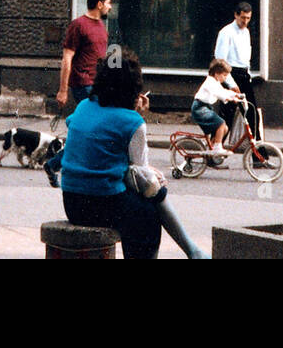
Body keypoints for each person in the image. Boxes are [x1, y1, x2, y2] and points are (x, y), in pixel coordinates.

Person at [59, 47, 205, 259]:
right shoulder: (133, 122)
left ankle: (193, 251)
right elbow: (140, 172)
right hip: (103, 202)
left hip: (72, 202)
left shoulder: (82, 106)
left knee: (138, 202)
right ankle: (192, 251)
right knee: (148, 214)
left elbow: (98, 140)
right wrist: (137, 117)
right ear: (133, 87)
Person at [46, 0, 111, 186]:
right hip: (83, 84)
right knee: (96, 127)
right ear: (99, 4)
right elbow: (67, 59)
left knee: (89, 129)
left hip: (97, 84)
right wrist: (63, 90)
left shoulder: (101, 26)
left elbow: (103, 57)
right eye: (108, 3)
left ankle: (55, 163)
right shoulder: (78, 25)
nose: (110, 7)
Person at [214, 1, 261, 137]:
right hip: (230, 74)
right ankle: (215, 151)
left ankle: (258, 154)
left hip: (244, 75)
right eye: (243, 18)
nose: (245, 21)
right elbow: (221, 60)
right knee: (227, 116)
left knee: (252, 114)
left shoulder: (246, 32)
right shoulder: (226, 32)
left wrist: (248, 75)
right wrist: (231, 84)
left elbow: (246, 58)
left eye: (248, 18)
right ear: (236, 15)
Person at [191, 58, 243, 159]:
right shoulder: (210, 82)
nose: (225, 78)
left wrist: (235, 95)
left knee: (225, 128)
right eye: (224, 75)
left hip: (206, 107)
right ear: (216, 73)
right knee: (221, 124)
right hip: (200, 108)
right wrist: (229, 98)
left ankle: (212, 145)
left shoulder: (215, 82)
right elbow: (218, 93)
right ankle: (217, 147)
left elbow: (222, 91)